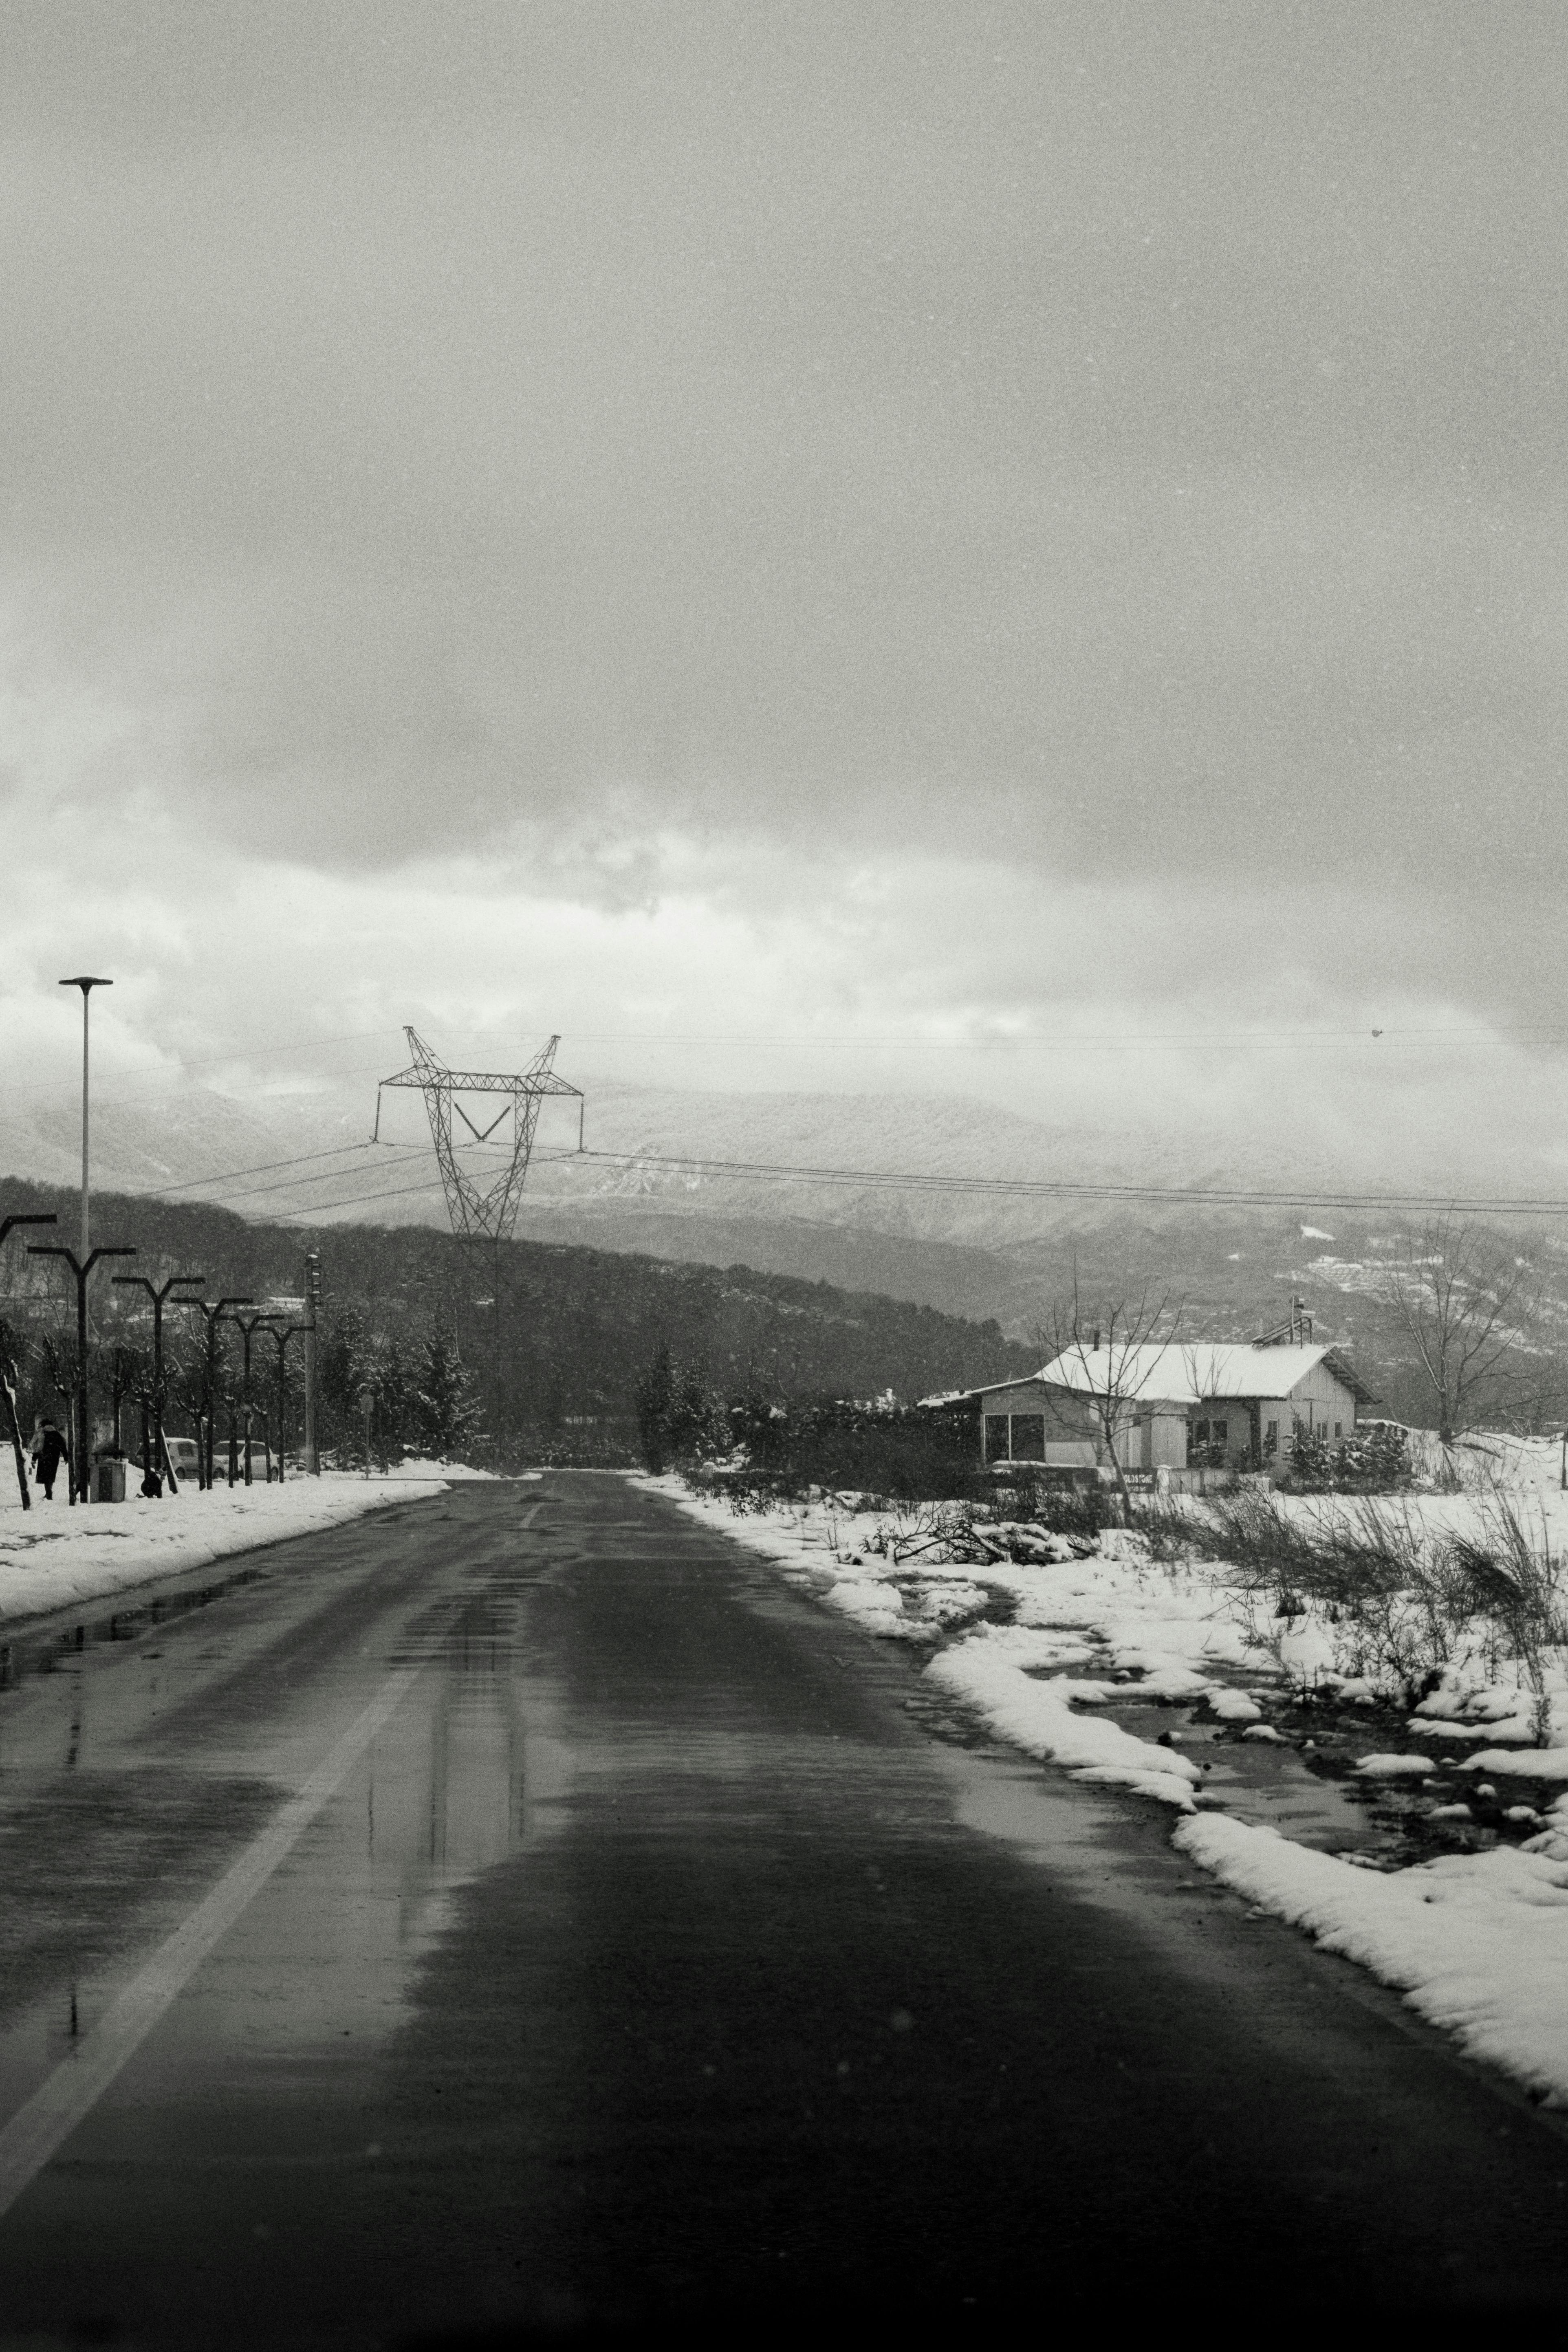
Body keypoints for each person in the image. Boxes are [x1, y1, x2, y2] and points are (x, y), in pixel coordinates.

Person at [31, 1416, 68, 1502]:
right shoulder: (57, 1434)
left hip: (43, 1458)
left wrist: (34, 1460)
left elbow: (38, 1448)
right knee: (51, 1475)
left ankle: (48, 1493)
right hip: (54, 1459)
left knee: (45, 1476)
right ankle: (49, 1492)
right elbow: (63, 1446)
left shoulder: (42, 1434)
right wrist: (66, 1458)